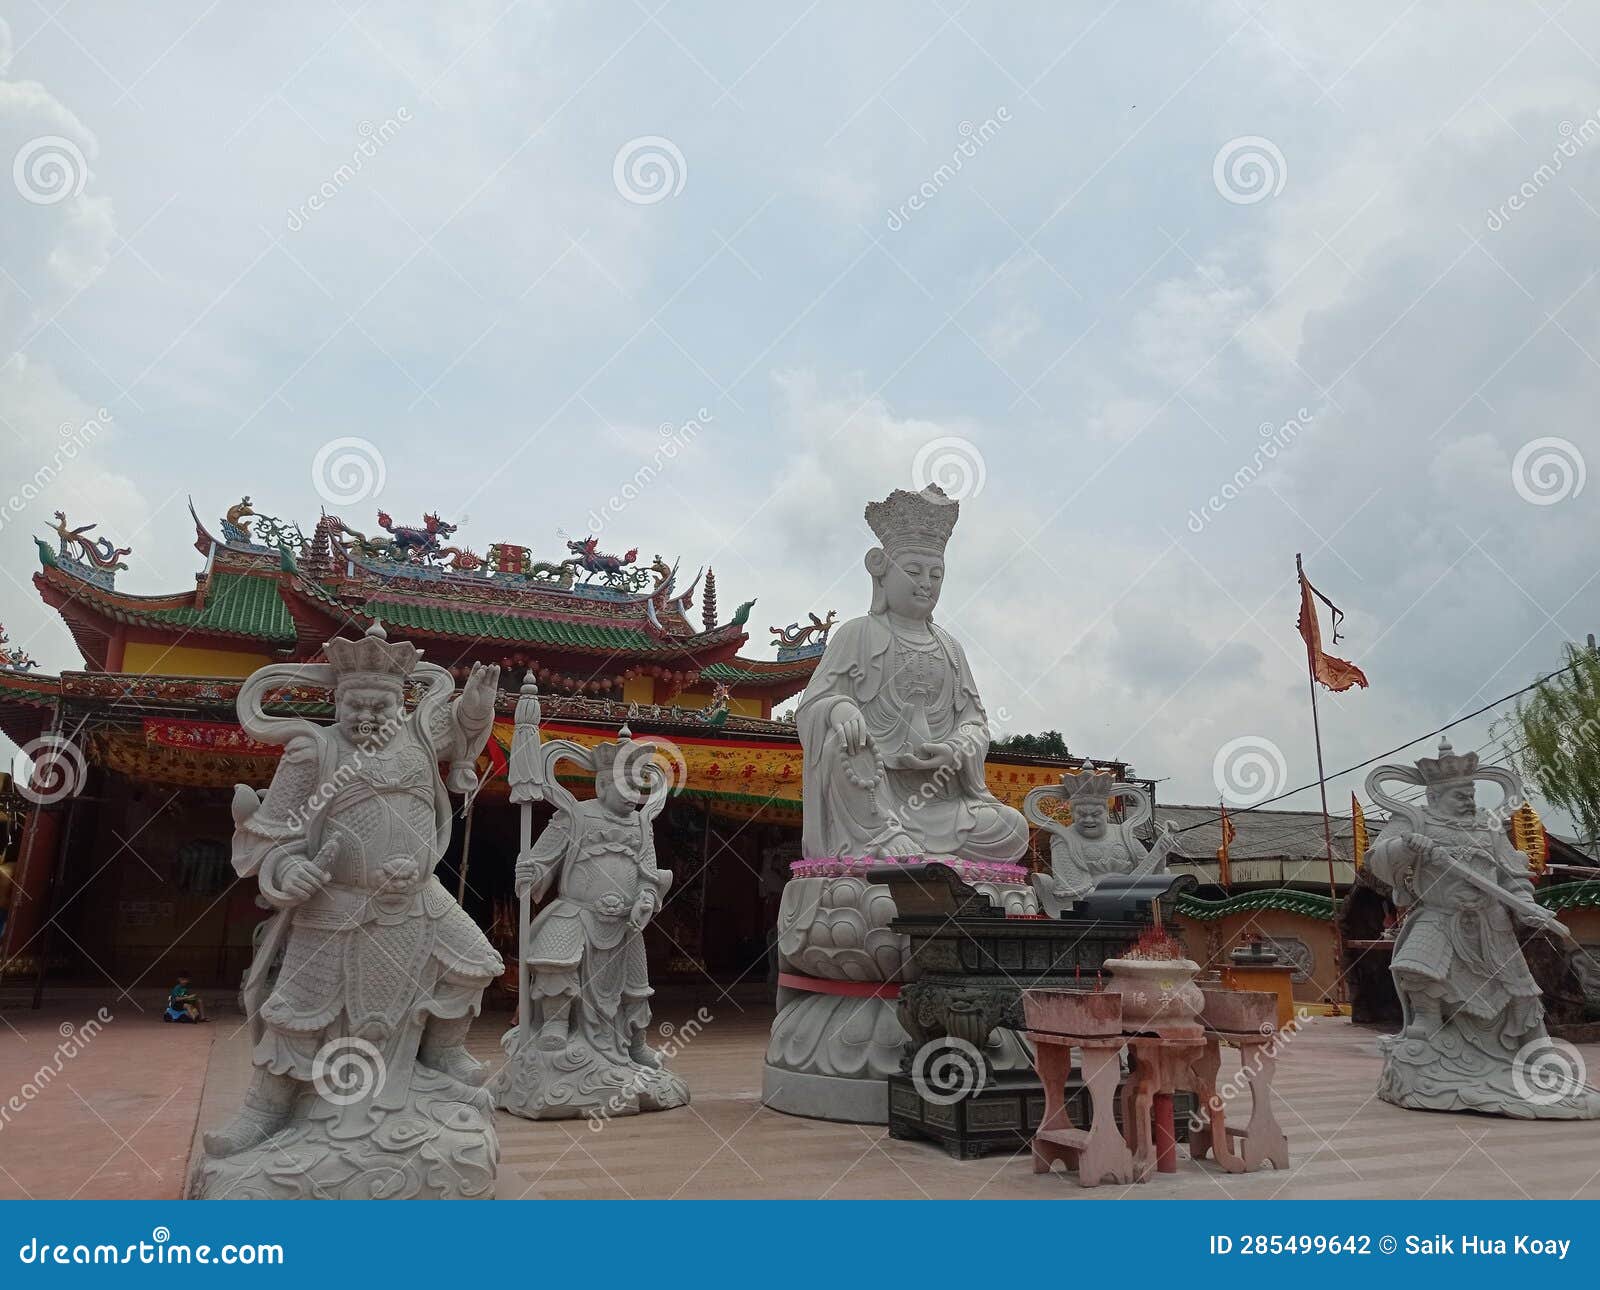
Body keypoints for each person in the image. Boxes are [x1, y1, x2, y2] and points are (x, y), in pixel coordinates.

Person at [795, 484, 1027, 861]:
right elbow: (811, 708)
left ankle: (910, 851)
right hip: (874, 793)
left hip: (939, 799)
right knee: (843, 744)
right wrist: (838, 709)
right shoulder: (857, 633)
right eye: (915, 571)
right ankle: (882, 837)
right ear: (883, 573)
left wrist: (953, 748)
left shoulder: (950, 648)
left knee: (1012, 829)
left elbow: (975, 725)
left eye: (937, 575)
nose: (927, 584)